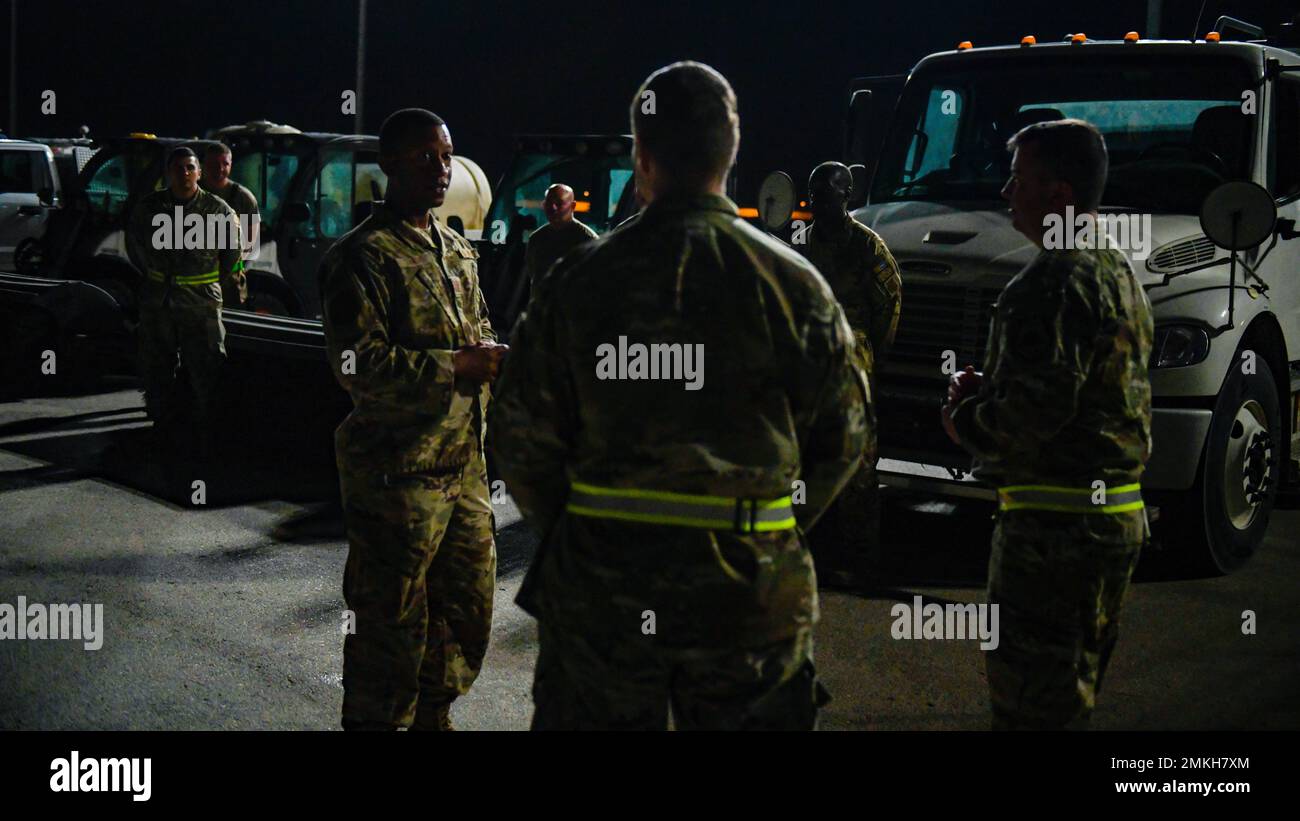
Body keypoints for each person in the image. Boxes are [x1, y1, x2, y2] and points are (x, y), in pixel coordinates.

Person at [490, 62, 870, 730]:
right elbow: (844, 440)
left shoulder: (578, 281)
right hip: (748, 595)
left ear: (641, 155)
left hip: (601, 597)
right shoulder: (795, 285)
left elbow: (520, 439)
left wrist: (586, 530)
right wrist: (772, 525)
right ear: (733, 150)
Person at [941, 118, 1153, 730]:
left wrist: (964, 417)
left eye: (1017, 180)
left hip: (1053, 534)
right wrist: (1001, 388)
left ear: (1058, 193)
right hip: (1111, 521)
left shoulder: (1048, 282)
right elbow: (1089, 391)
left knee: (1030, 710)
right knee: (1069, 699)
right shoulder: (1116, 270)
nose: (1006, 193)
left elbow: (1031, 417)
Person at [319, 108, 507, 731]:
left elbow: (477, 332)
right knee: (389, 628)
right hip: (396, 480)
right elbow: (356, 365)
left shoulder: (456, 249)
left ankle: (435, 717)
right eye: (425, 157)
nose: (441, 168)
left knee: (466, 616)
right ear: (390, 164)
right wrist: (455, 365)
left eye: (447, 155)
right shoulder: (362, 258)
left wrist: (493, 359)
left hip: (466, 468)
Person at [799, 161, 902, 587]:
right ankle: (818, 556)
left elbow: (889, 305)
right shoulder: (804, 243)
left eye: (825, 194)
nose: (816, 202)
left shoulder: (867, 245)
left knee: (858, 460)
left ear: (846, 196)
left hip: (853, 353)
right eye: (813, 194)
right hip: (813, 357)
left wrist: (866, 351)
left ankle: (862, 561)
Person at [127, 146, 243, 456]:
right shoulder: (150, 208)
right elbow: (134, 244)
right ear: (169, 172)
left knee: (207, 367)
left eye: (190, 168)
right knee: (156, 367)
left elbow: (232, 256)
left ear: (199, 173)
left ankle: (206, 430)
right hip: (157, 302)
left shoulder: (218, 211)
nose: (185, 173)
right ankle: (161, 428)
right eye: (178, 168)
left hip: (201, 305)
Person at [200, 143, 259, 305]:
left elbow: (251, 244)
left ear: (231, 164)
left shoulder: (243, 198)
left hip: (229, 285)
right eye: (214, 164)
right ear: (204, 165)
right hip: (194, 282)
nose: (220, 168)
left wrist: (229, 266)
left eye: (225, 163)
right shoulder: (191, 193)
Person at [524, 183, 597, 289]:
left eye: (559, 203)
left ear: (573, 206)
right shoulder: (536, 238)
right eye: (549, 203)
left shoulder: (587, 239)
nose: (553, 207)